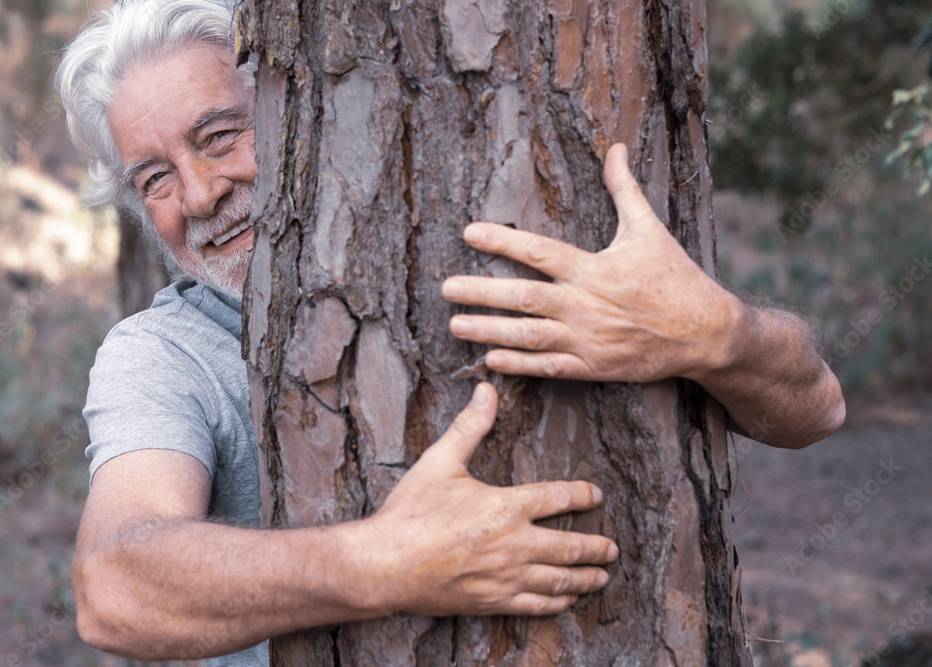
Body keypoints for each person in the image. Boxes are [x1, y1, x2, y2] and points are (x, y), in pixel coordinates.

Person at [56, 0, 844, 664]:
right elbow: (113, 587)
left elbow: (818, 409)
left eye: (221, 135)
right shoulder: (160, 356)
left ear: (290, 110)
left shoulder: (509, 225)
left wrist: (721, 336)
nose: (198, 195)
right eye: (154, 178)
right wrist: (383, 562)